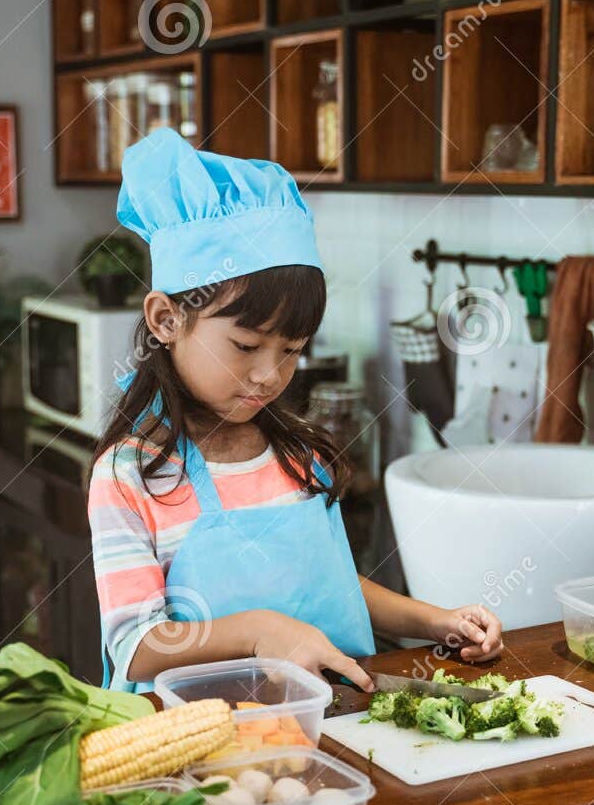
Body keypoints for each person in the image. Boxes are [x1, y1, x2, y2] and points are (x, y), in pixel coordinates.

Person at [88, 128, 503, 692]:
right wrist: (260, 632)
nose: (268, 375)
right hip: (208, 747)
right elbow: (136, 645)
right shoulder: (132, 474)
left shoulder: (297, 454)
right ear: (167, 319)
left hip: (335, 722)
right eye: (245, 346)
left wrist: (437, 620)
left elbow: (335, 587)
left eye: (291, 351)